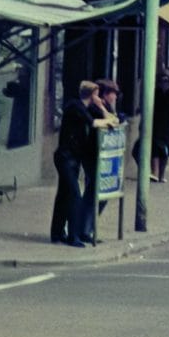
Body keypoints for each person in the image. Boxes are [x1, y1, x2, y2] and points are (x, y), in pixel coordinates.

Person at [50, 80, 99, 247]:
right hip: (65, 157)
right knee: (74, 195)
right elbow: (93, 122)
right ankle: (73, 235)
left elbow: (111, 118)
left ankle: (57, 233)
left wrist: (104, 109)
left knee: (64, 194)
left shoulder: (86, 108)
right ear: (92, 95)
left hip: (74, 158)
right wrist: (101, 108)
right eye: (97, 95)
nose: (98, 98)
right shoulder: (75, 106)